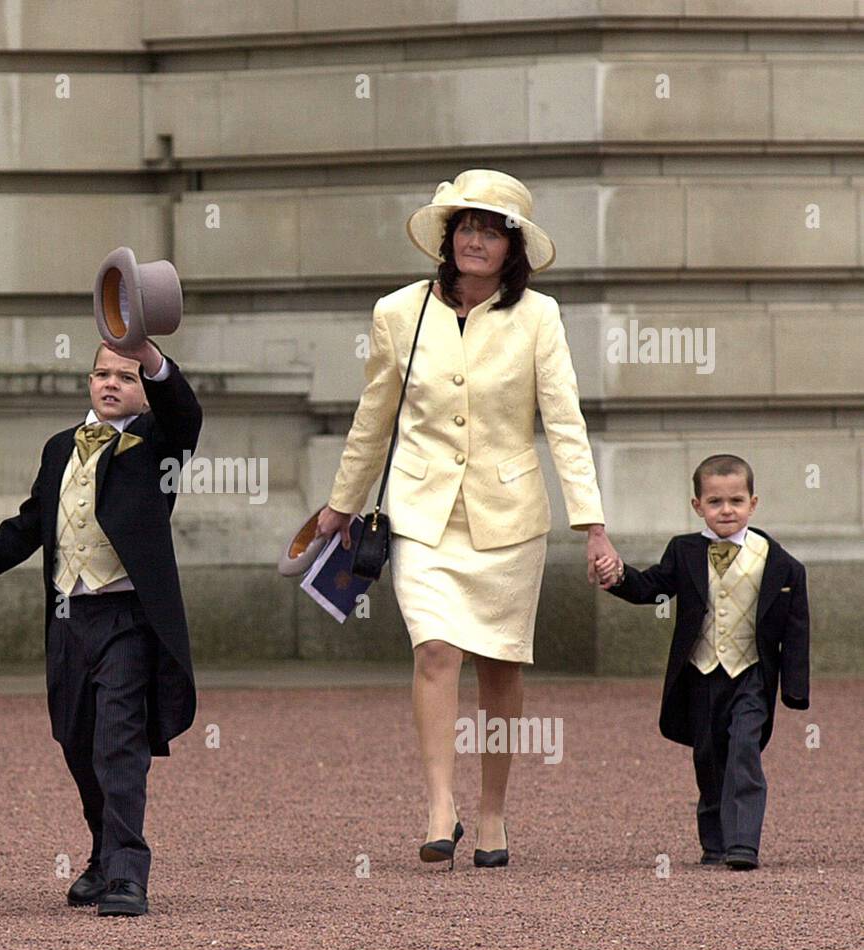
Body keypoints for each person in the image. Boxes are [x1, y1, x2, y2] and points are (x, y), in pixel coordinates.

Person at [317, 169, 618, 869]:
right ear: (446, 237)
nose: (474, 238)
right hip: (422, 514)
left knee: (500, 668)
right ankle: (438, 804)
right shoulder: (398, 311)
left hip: (510, 517)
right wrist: (341, 502)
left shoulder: (538, 317)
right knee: (434, 650)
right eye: (465, 226)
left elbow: (565, 422)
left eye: (490, 229)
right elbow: (374, 416)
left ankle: (492, 811)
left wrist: (592, 524)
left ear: (512, 249)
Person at [0, 338, 201, 916]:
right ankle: (103, 854)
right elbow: (27, 526)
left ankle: (129, 872)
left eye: (126, 378)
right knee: (76, 739)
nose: (110, 384)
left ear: (145, 392)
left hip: (126, 616)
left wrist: (149, 354)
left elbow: (184, 410)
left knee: (119, 743)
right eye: (101, 373)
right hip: (67, 616)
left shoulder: (159, 443)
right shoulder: (58, 449)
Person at [596, 454, 810, 870]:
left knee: (745, 749)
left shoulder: (782, 565)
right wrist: (618, 575)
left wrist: (795, 689)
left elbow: (796, 631)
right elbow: (653, 588)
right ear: (697, 505)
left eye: (735, 500)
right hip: (702, 674)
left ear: (753, 502)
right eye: (715, 502)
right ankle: (715, 842)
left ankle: (744, 843)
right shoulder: (684, 551)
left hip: (751, 674)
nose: (726, 510)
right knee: (709, 755)